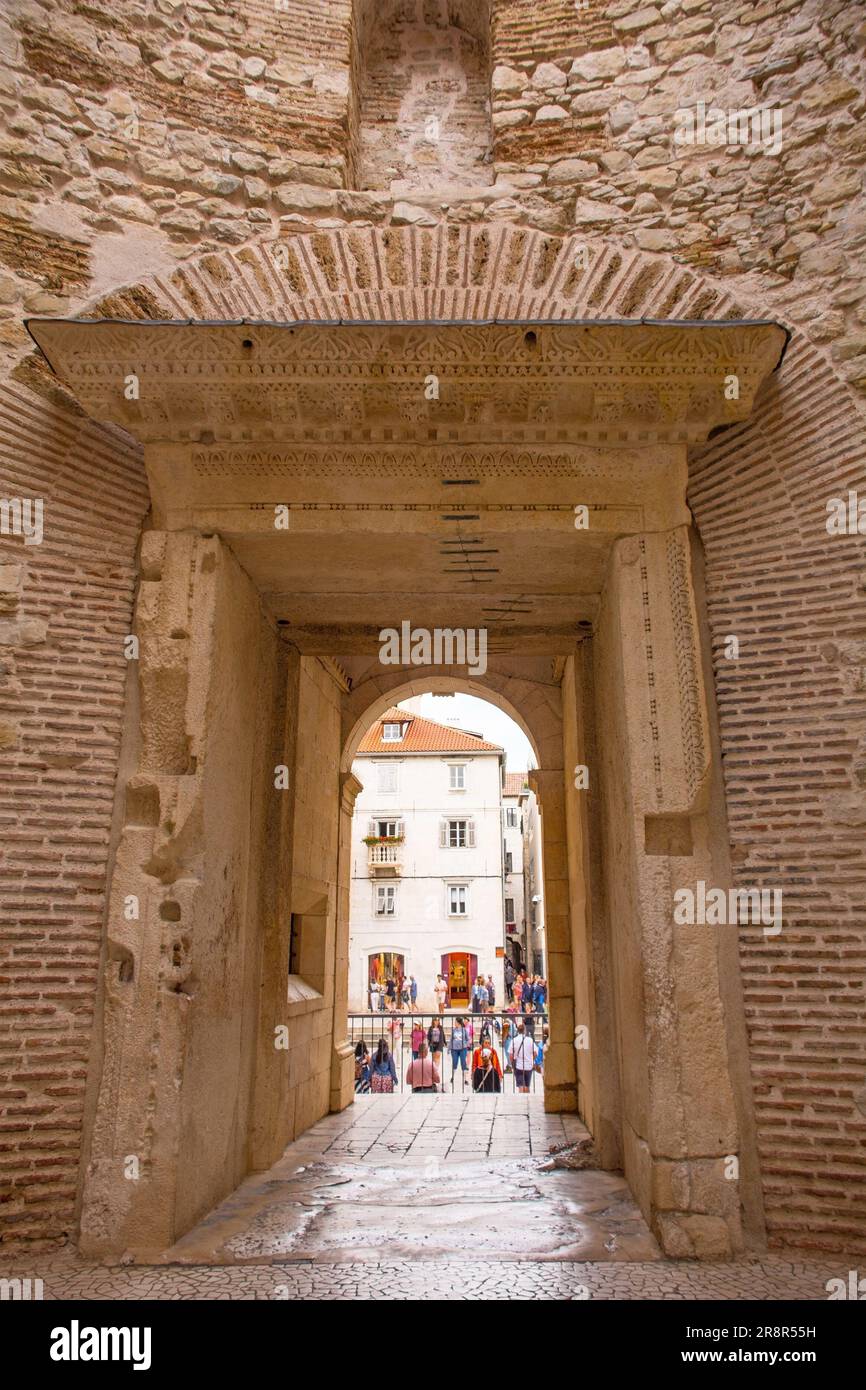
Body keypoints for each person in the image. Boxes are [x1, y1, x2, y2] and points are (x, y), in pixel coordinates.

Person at [507, 1021, 536, 1094]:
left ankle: (522, 1100)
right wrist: (532, 1059)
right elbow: (535, 1052)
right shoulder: (530, 1040)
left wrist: (513, 1063)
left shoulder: (514, 1040)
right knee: (527, 1085)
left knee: (521, 1086)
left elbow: (510, 1054)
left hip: (519, 1066)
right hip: (528, 1066)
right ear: (525, 1030)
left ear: (517, 1030)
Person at [450, 1016, 471, 1084]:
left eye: (455, 1022)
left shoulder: (464, 1030)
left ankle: (465, 1079)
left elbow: (468, 1039)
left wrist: (466, 1045)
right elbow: (451, 1039)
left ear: (458, 1023)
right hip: (454, 1049)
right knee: (454, 1063)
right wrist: (449, 1048)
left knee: (463, 1063)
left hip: (463, 1049)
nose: (454, 1023)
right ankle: (452, 1077)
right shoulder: (453, 1030)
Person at [427, 1016, 446, 1088]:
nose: (437, 1021)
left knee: (438, 1057)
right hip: (433, 1044)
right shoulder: (430, 1028)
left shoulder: (440, 1027)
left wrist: (444, 1042)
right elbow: (428, 1036)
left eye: (438, 1020)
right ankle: (434, 1072)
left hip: (439, 1044)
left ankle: (436, 1071)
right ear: (433, 1020)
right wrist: (428, 1043)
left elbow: (443, 1035)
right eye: (436, 1020)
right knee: (434, 1059)